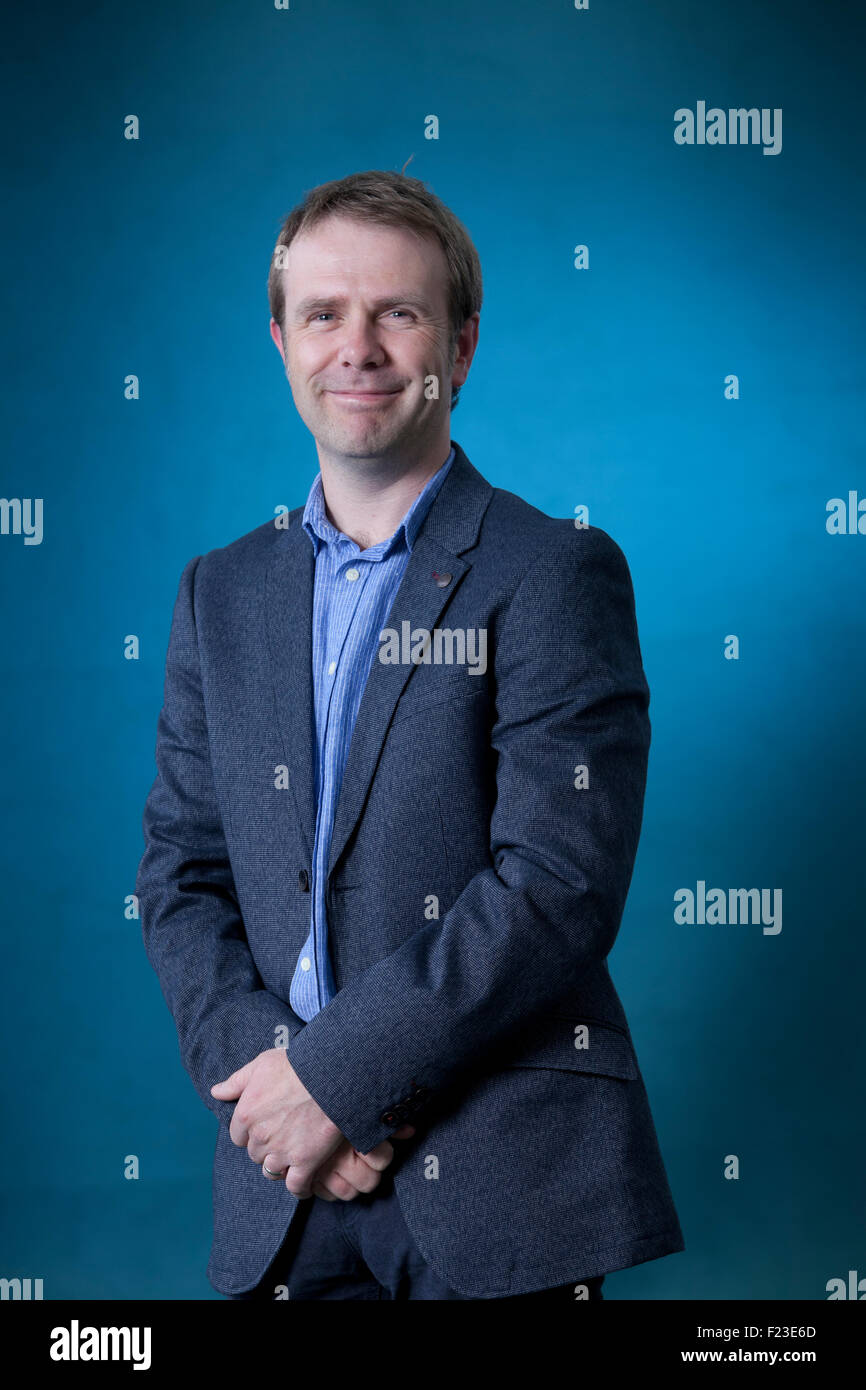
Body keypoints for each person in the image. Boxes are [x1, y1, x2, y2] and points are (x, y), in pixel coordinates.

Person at [136, 168, 685, 1300]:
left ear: (461, 345)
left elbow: (556, 884)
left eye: (398, 312)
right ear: (280, 339)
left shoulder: (553, 573)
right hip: (281, 1197)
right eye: (323, 313)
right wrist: (275, 1088)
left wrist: (334, 1081)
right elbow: (181, 875)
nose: (359, 347)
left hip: (499, 1187)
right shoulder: (217, 593)